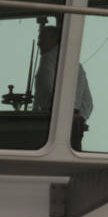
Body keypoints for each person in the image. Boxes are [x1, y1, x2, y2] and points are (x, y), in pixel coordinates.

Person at [34, 22, 94, 150]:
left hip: (48, 127)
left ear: (53, 40)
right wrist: (78, 120)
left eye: (41, 39)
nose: (39, 43)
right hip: (75, 131)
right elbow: (88, 103)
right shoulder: (77, 65)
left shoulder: (48, 59)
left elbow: (46, 86)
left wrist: (58, 114)